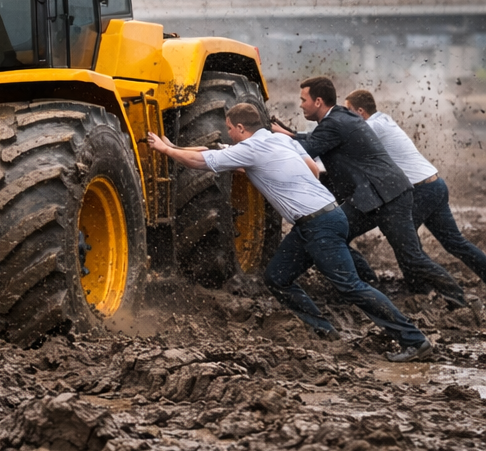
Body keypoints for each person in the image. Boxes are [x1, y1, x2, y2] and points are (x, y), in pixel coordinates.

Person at [148, 102, 434, 361]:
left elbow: (201, 162)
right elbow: (312, 169)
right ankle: (324, 331)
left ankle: (414, 340)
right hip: (323, 217)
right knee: (277, 277)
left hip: (319, 223)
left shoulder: (251, 150)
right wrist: (174, 145)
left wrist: (164, 151)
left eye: (229, 130)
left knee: (351, 286)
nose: (228, 135)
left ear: (239, 128)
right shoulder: (278, 141)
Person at [271, 75, 468, 310]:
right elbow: (315, 140)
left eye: (303, 99)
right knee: (335, 234)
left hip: (389, 196)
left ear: (318, 101)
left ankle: (461, 300)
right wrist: (289, 135)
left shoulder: (335, 123)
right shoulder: (340, 117)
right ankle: (368, 283)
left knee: (411, 258)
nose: (300, 104)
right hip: (370, 197)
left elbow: (307, 148)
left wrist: (270, 141)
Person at [345, 88, 486, 291]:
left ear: (359, 111)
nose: (345, 117)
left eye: (348, 111)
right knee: (454, 242)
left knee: (404, 243)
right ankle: (423, 283)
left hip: (421, 191)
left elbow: (343, 142)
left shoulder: (372, 126)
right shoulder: (383, 120)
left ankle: (420, 287)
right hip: (435, 185)